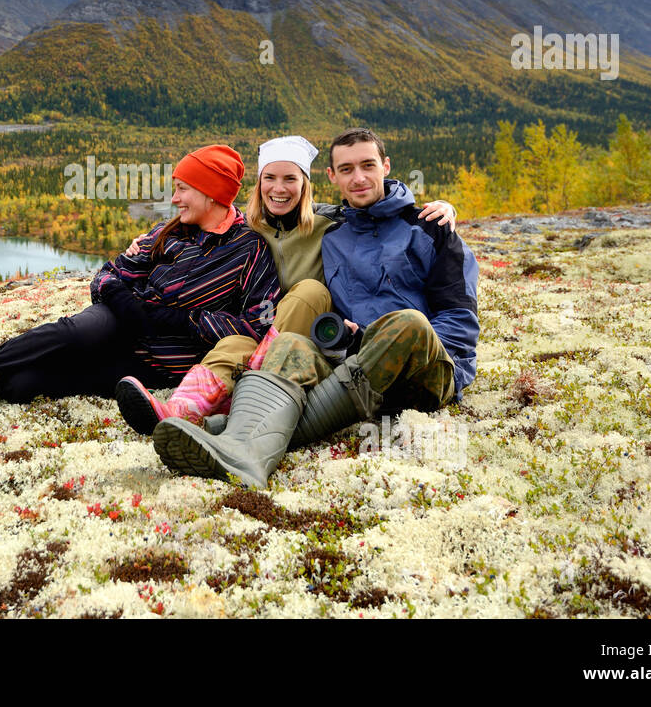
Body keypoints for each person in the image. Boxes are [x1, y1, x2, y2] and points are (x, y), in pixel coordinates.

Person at [151, 127, 479, 487]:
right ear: (332, 177)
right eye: (347, 169)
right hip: (354, 365)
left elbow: (459, 320)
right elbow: (258, 216)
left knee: (409, 323)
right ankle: (240, 454)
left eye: (368, 166)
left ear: (385, 166)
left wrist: (446, 207)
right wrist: (153, 241)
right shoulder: (334, 231)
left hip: (424, 370)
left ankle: (229, 430)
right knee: (291, 344)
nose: (358, 178)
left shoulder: (432, 228)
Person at [0, 144, 280, 407]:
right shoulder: (168, 232)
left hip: (163, 361)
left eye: (182, 188)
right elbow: (106, 275)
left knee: (21, 388)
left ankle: (1, 372)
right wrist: (125, 302)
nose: (175, 198)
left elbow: (255, 327)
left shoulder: (250, 249)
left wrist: (180, 320)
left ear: (212, 193)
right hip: (117, 324)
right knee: (83, 329)